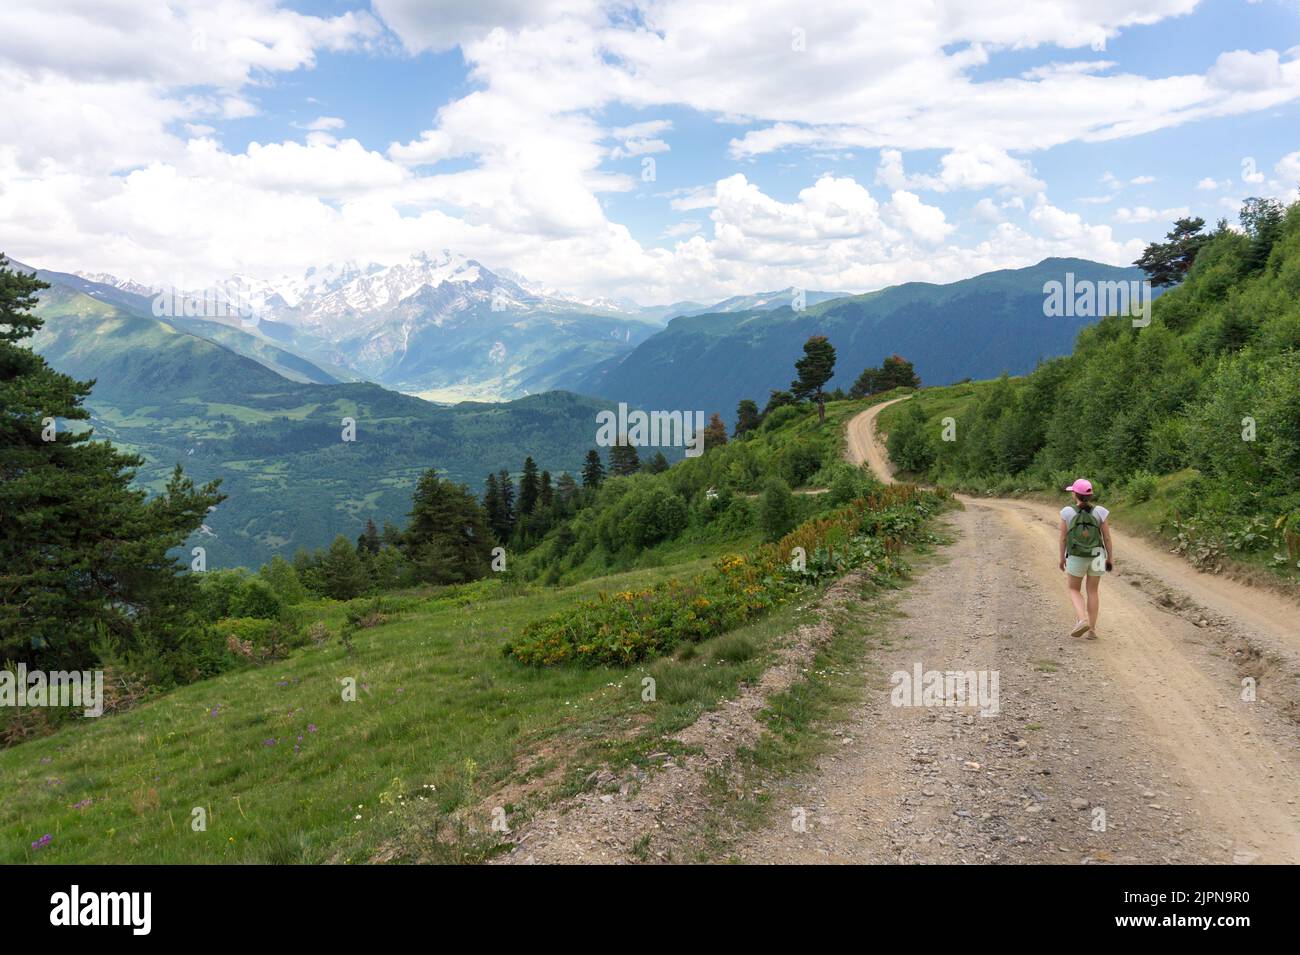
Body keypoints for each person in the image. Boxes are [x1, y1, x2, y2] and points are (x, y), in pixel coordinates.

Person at [1057, 478, 1114, 640]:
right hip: (1097, 555)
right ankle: (1092, 630)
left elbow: (1062, 538)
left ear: (1075, 494)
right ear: (1090, 495)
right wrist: (1110, 558)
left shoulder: (1067, 512)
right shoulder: (1101, 512)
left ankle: (1082, 619)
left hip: (1076, 555)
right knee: (1093, 591)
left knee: (1074, 589)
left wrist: (1061, 558)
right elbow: (1107, 538)